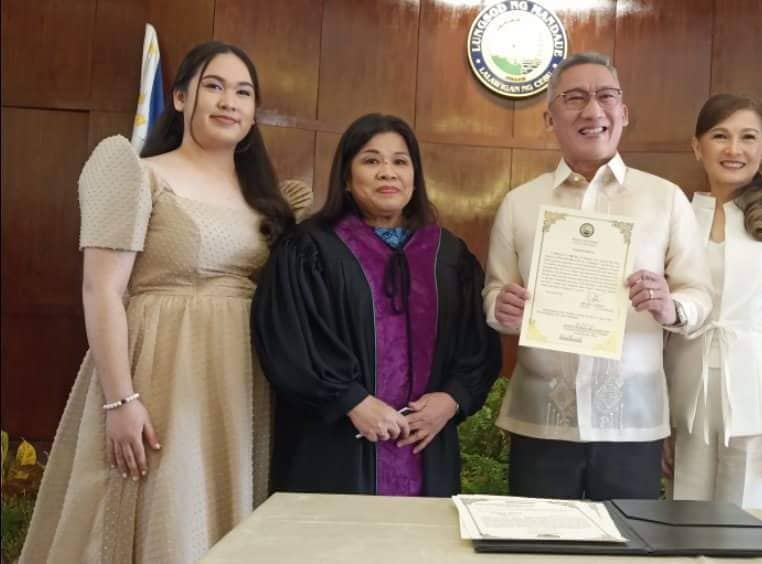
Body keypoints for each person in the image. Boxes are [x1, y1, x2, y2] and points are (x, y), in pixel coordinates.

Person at [21, 41, 311, 563]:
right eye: (214, 86)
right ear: (179, 98)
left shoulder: (266, 196)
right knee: (165, 507)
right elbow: (102, 290)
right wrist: (120, 400)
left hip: (238, 380)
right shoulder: (138, 172)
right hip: (159, 369)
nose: (229, 102)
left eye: (243, 92)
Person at [484, 51, 712, 501]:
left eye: (606, 95)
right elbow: (495, 291)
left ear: (623, 112)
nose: (593, 110)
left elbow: (699, 294)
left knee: (629, 546)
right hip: (541, 421)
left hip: (632, 421)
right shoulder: (520, 203)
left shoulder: (664, 199)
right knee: (538, 549)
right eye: (574, 98)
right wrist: (500, 307)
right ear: (550, 118)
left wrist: (672, 306)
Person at [251, 113, 501, 497]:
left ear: (414, 177)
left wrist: (452, 400)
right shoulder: (309, 248)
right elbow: (289, 339)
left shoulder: (447, 255)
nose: (388, 172)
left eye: (400, 161)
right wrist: (351, 400)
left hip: (426, 446)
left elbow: (477, 344)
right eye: (371, 161)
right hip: (334, 446)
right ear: (347, 179)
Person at [665, 94, 762, 510]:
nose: (734, 149)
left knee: (753, 536)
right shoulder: (677, 215)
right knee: (686, 531)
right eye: (720, 135)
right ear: (697, 146)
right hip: (688, 403)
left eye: (748, 137)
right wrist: (662, 420)